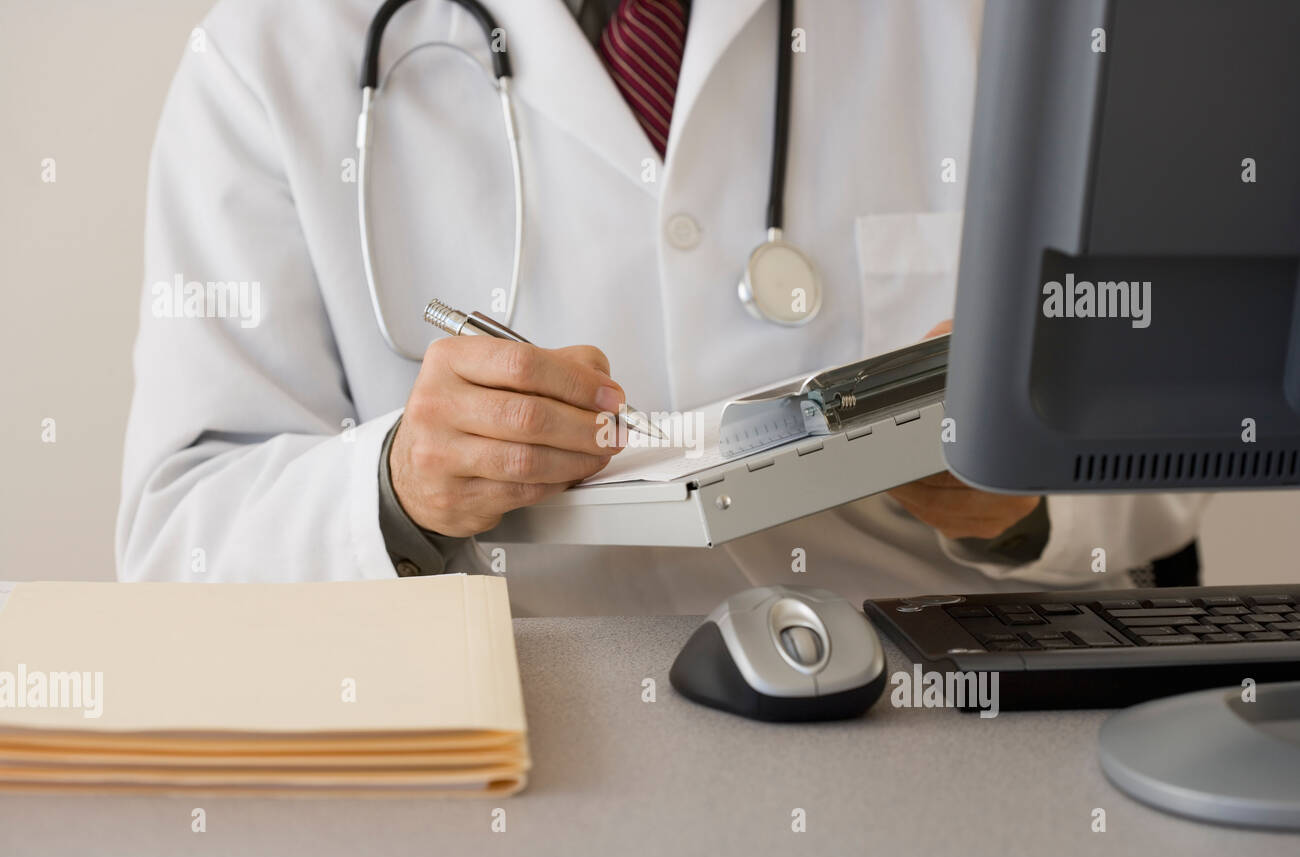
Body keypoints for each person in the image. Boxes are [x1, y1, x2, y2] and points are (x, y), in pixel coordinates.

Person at [117, 0, 1209, 615]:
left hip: (924, 715)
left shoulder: (991, 19)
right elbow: (180, 535)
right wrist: (399, 485)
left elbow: (1180, 447)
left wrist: (1019, 499)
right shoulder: (268, 52)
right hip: (510, 739)